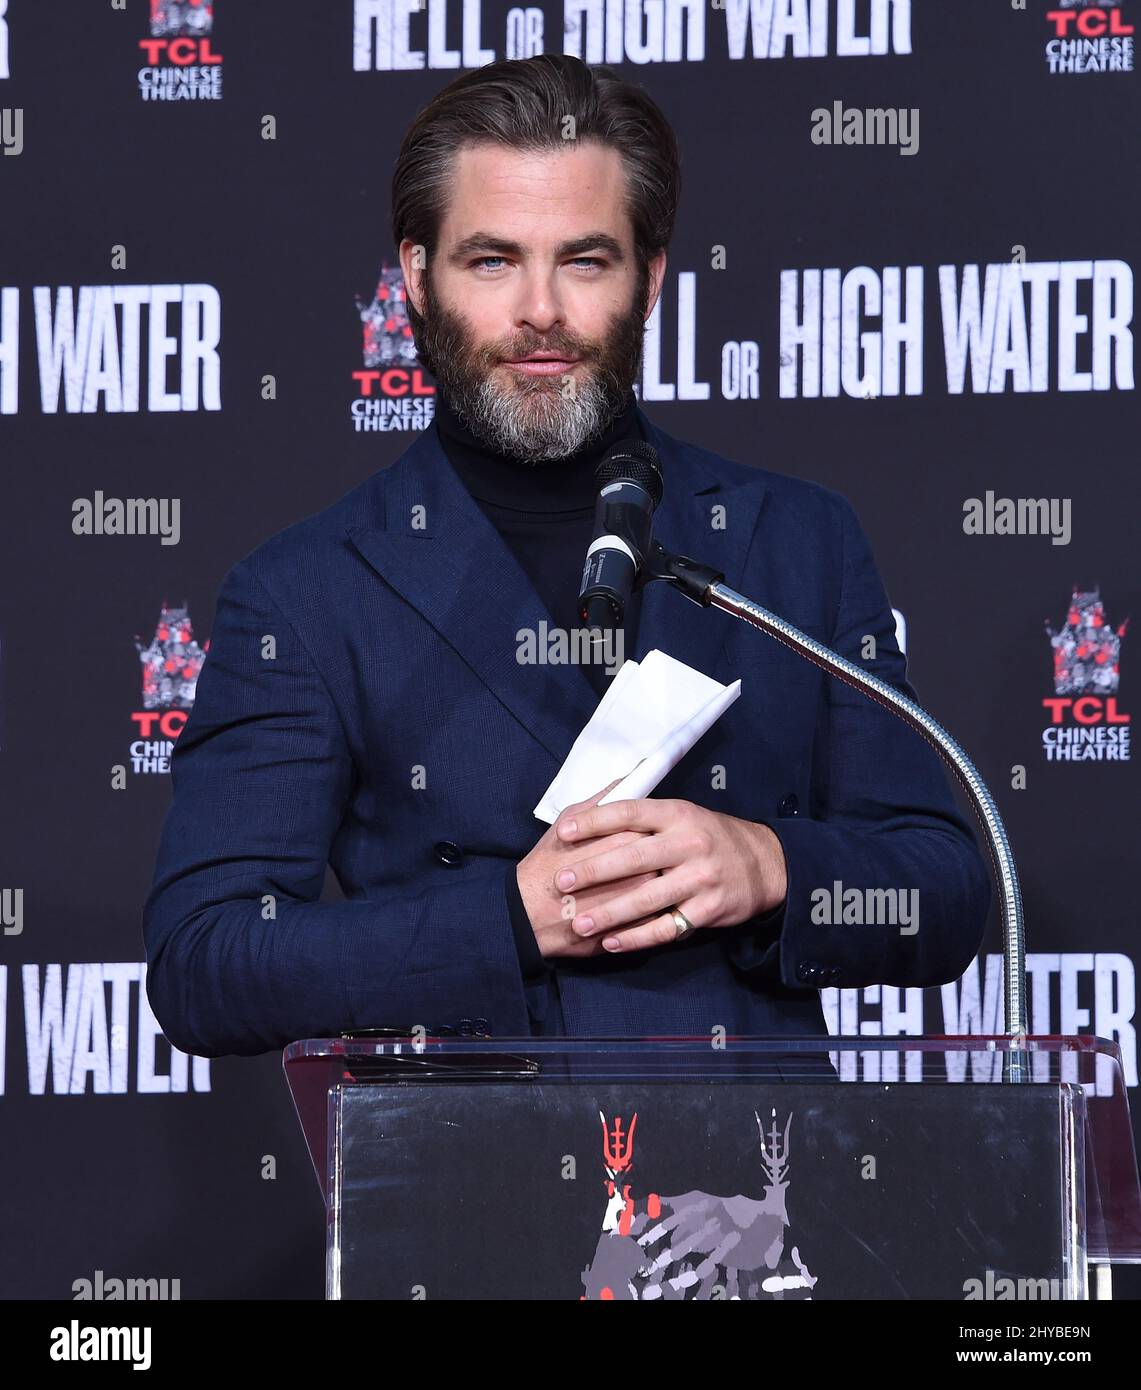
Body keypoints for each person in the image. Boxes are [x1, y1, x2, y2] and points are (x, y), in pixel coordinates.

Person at [142, 54, 990, 1058]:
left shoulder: (800, 540)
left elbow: (941, 894)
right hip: (459, 1191)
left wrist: (770, 867)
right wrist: (506, 918)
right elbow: (206, 963)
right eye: (492, 261)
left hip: (750, 1193)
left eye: (585, 261)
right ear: (416, 276)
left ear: (651, 276)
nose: (540, 310)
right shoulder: (307, 591)